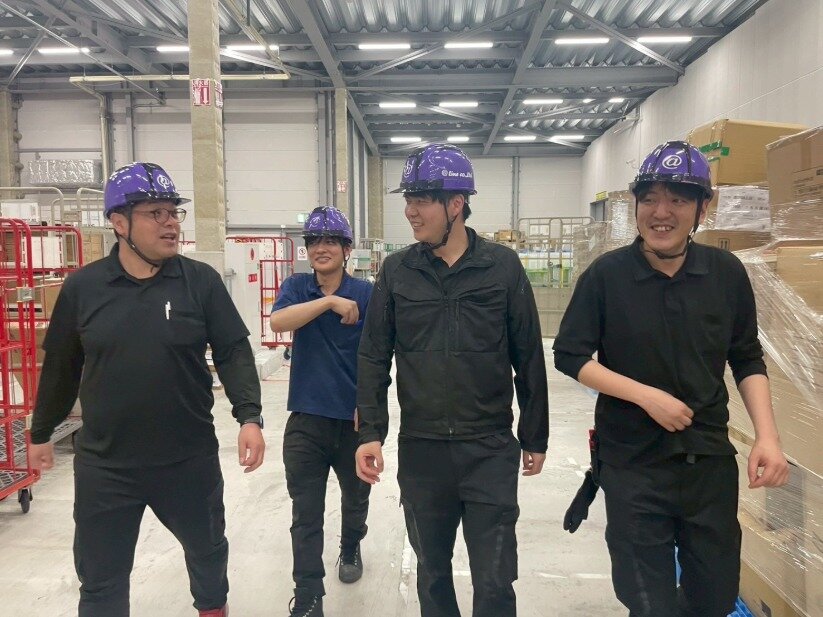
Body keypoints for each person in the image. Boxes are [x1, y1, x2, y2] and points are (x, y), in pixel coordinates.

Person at [553, 141, 790, 616]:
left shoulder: (725, 274)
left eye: (678, 200)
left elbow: (746, 357)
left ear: (704, 207)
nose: (661, 213)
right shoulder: (607, 276)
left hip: (707, 464)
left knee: (714, 598)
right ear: (636, 205)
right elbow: (570, 355)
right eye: (650, 199)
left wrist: (768, 437)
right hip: (633, 464)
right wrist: (645, 397)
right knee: (648, 601)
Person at [28, 162, 265, 617]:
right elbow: (61, 367)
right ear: (119, 223)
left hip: (187, 459)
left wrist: (249, 416)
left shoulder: (200, 282)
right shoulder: (83, 288)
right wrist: (41, 432)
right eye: (156, 213)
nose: (171, 223)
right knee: (100, 579)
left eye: (174, 212)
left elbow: (234, 351)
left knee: (208, 555)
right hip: (106, 466)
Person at [355, 144, 549, 617]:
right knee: (433, 574)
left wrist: (535, 435)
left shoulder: (502, 267)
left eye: (421, 199)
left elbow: (528, 354)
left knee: (495, 580)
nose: (410, 210)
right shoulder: (398, 271)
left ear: (456, 204)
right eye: (408, 199)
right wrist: (370, 431)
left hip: (489, 449)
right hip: (423, 452)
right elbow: (374, 355)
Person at [270, 206, 372, 617]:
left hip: (352, 420)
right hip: (306, 420)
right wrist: (329, 301)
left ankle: (351, 545)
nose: (321, 248)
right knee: (306, 514)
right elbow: (279, 322)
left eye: (331, 241)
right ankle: (309, 594)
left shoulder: (366, 293)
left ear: (346, 249)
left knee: (356, 497)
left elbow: (379, 355)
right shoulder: (297, 286)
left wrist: (371, 412)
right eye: (314, 241)